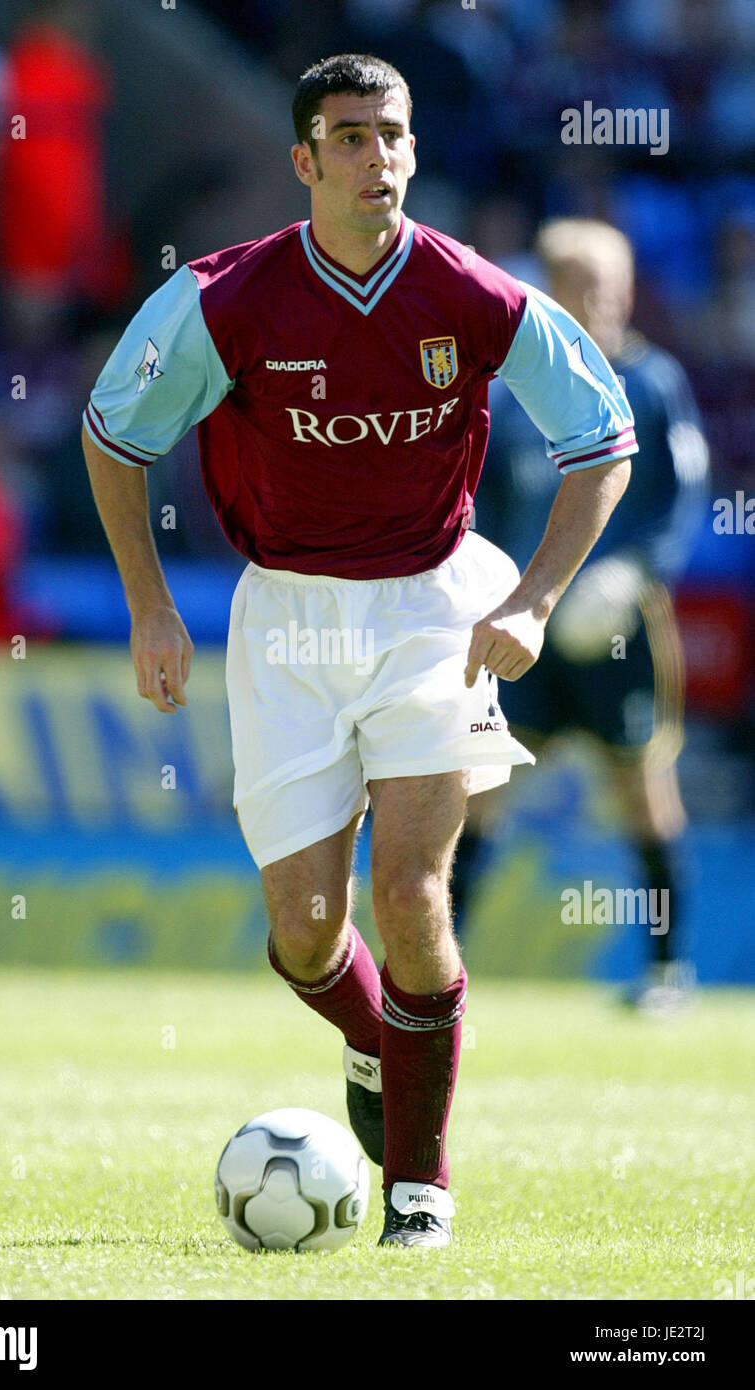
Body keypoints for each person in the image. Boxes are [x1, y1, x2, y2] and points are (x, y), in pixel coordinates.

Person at [81, 55, 636, 1248]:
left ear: (413, 152)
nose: (373, 157)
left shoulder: (473, 295)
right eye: (346, 137)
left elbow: (602, 438)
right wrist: (148, 606)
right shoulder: (223, 300)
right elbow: (112, 435)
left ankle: (418, 1192)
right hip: (283, 617)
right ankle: (385, 1048)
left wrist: (533, 599)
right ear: (303, 161)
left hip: (430, 607)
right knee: (301, 927)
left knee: (410, 890)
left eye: (390, 136)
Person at [450, 218, 709, 1015]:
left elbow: (678, 500)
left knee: (642, 792)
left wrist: (633, 572)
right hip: (525, 621)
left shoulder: (654, 383)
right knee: (478, 790)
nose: (595, 300)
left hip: (616, 630)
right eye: (576, 285)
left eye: (607, 285)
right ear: (546, 292)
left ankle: (668, 973)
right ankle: (436, 975)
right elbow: (483, 502)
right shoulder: (516, 389)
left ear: (628, 289)